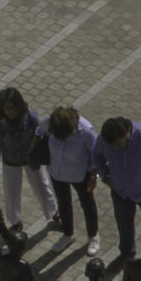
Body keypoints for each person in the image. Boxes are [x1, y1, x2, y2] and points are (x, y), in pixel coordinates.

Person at [91, 116, 141, 262]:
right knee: (124, 224)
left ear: (127, 132)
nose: (117, 147)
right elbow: (97, 155)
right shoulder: (105, 138)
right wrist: (105, 176)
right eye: (113, 146)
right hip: (120, 192)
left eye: (119, 143)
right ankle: (127, 253)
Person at [0, 87, 52, 242]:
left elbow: (41, 138)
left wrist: (38, 159)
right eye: (7, 108)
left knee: (42, 186)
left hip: (31, 160)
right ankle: (15, 222)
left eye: (13, 108)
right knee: (11, 193)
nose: (11, 112)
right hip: (10, 161)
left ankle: (53, 212)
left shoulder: (31, 118)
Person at [44, 105, 101, 255]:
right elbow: (38, 133)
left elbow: (95, 156)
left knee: (87, 204)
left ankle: (93, 236)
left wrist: (94, 177)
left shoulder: (86, 131)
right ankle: (68, 234)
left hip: (80, 174)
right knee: (63, 204)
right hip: (57, 172)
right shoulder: (50, 123)